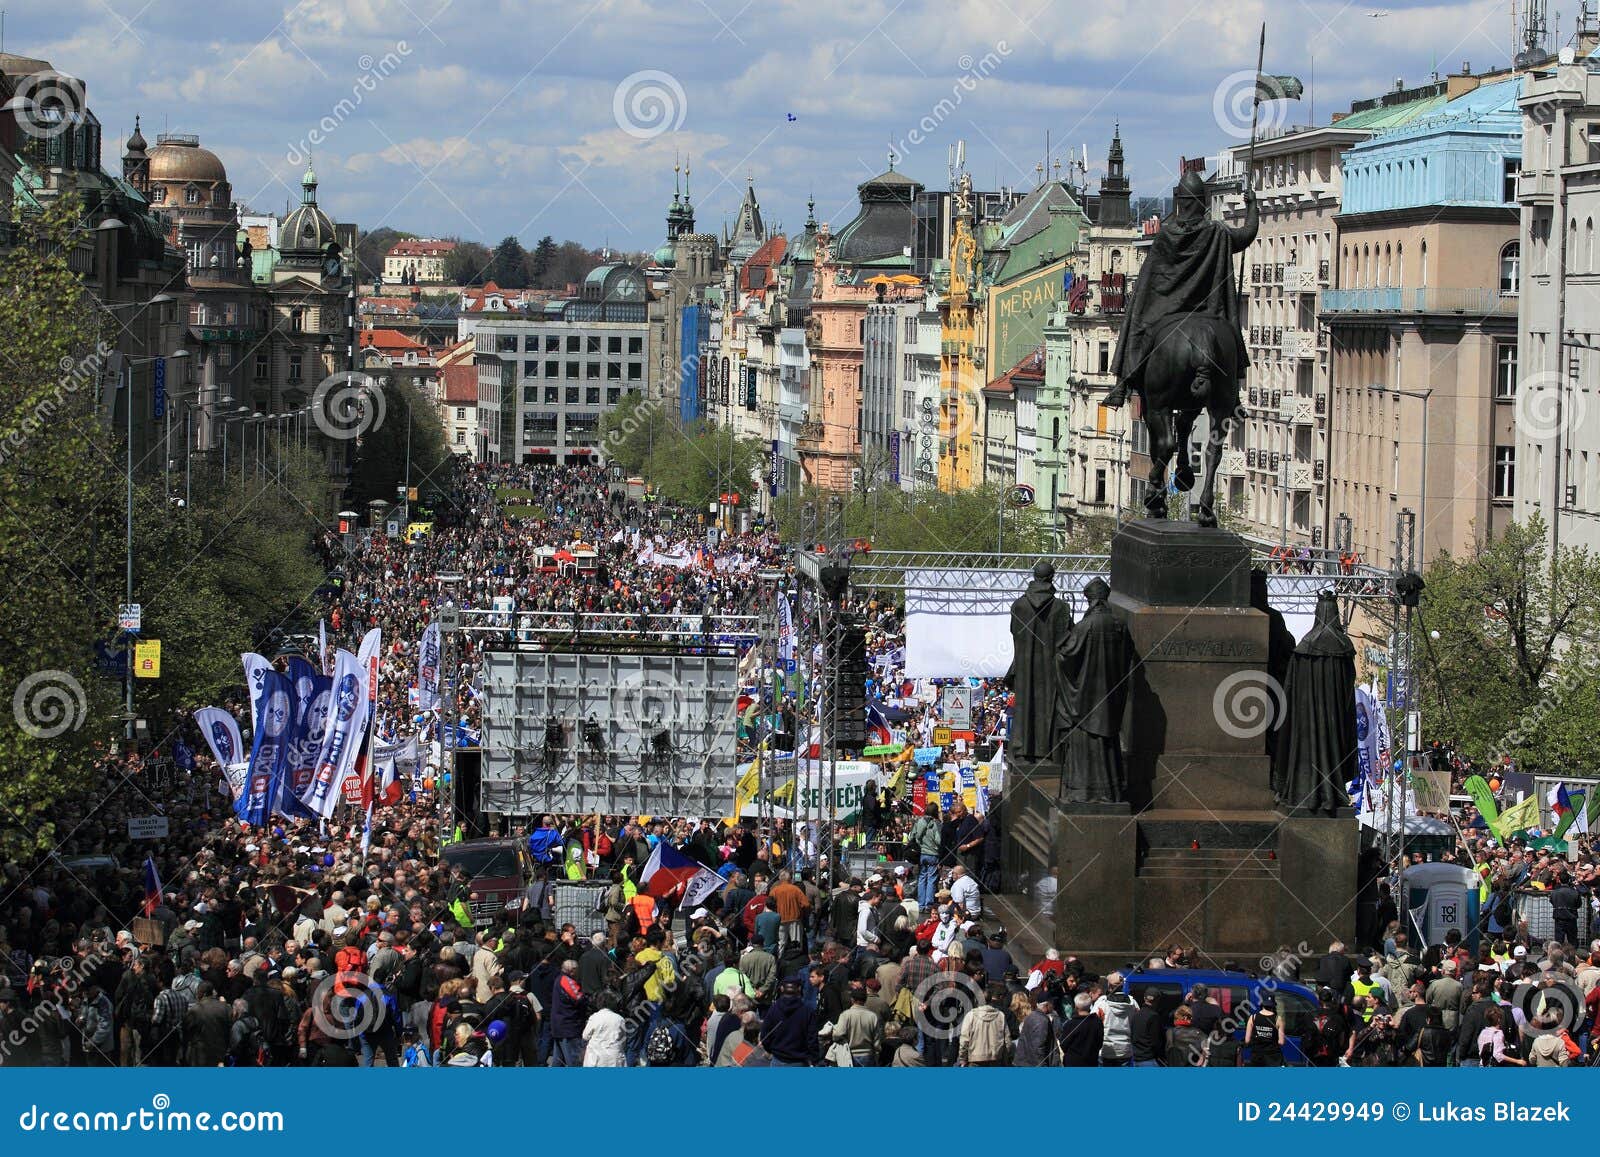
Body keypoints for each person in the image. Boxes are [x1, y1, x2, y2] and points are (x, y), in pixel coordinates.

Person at [957, 985, 1012, 1067]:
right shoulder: (1000, 1015)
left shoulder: (971, 1016)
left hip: (975, 1059)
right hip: (996, 1058)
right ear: (990, 999)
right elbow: (1007, 1040)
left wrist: (962, 1058)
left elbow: (964, 1040)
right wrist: (1004, 1057)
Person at [908, 804, 942, 911]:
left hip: (922, 854)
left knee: (922, 878)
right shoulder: (935, 824)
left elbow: (911, 836)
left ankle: (921, 904)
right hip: (933, 854)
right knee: (931, 879)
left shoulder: (918, 822)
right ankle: (929, 904)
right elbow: (938, 840)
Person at [1245, 994, 1284, 1066]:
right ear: (1273, 1006)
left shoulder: (1253, 1017)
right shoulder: (1278, 1019)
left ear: (1262, 1004)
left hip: (1257, 1056)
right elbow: (1281, 1042)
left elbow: (1247, 1040)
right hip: (1273, 1057)